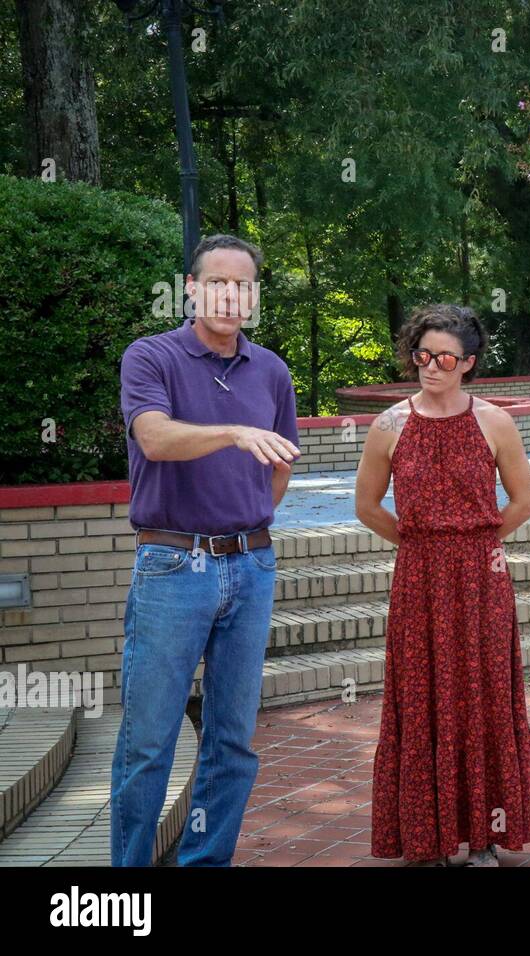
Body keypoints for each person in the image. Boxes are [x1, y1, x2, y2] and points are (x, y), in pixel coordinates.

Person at [113, 234, 301, 866]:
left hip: (251, 564)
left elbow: (280, 467)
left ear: (253, 295)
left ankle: (205, 861)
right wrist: (232, 433)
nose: (230, 294)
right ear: (190, 288)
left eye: (242, 284)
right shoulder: (151, 357)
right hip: (171, 565)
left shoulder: (272, 370)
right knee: (149, 741)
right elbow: (156, 439)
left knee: (232, 740)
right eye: (216, 281)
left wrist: (247, 525)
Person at [355, 303, 530, 867]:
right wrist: (419, 544)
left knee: (482, 695)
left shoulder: (494, 421)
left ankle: (483, 836)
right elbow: (366, 506)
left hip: (482, 579)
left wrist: (476, 539)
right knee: (421, 698)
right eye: (423, 355)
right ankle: (427, 838)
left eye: (444, 358)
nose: (431, 366)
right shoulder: (389, 425)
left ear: (468, 363)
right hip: (418, 579)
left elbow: (523, 502)